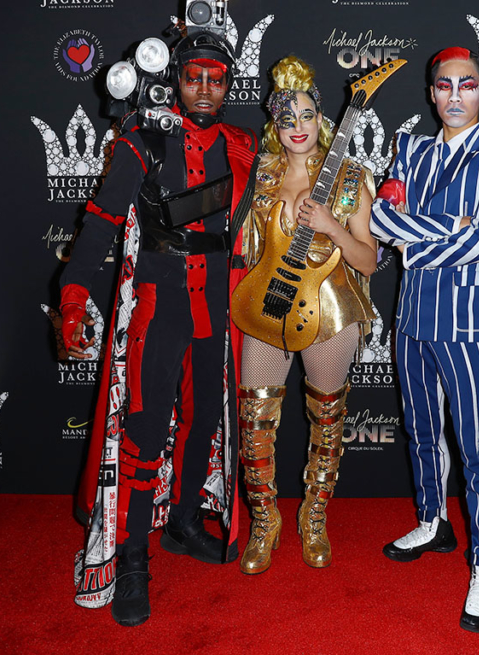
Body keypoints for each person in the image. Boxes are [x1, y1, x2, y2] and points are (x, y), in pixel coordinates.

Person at [60, 29, 257, 627]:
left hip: (217, 308)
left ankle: (183, 524)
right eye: (193, 76)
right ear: (176, 78)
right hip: (157, 304)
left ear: (228, 85)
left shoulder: (241, 145)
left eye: (215, 79)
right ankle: (132, 560)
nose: (203, 87)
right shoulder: (141, 141)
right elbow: (98, 224)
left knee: (202, 426)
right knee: (143, 432)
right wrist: (72, 299)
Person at [370, 47, 479, 633]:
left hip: (468, 326)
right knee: (419, 431)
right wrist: (447, 228)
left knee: (478, 451)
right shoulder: (409, 148)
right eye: (444, 85)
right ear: (432, 93)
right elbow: (381, 225)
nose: (455, 95)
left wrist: (420, 237)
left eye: (467, 84)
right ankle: (433, 520)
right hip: (411, 318)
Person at [235, 56, 377, 574]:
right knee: (254, 419)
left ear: (323, 118)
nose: (297, 127)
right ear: (275, 125)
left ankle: (313, 518)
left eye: (307, 115)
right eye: (286, 118)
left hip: (332, 309)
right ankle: (264, 520)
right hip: (269, 304)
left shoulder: (348, 177)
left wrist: (333, 228)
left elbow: (370, 260)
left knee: (327, 418)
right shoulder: (259, 175)